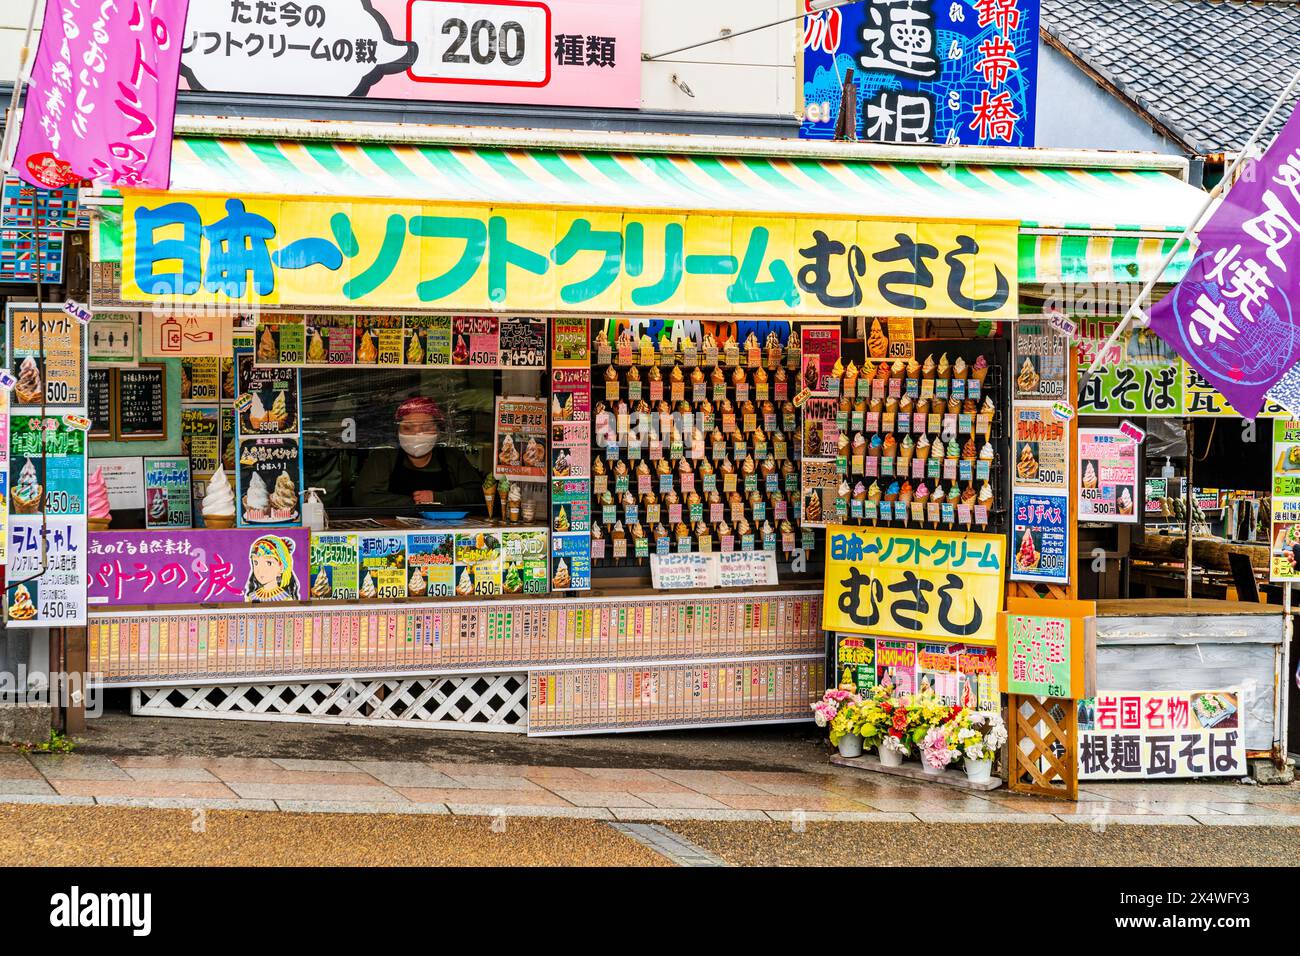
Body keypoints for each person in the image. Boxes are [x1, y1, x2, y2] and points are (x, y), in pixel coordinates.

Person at [354, 397, 482, 510]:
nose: (417, 434)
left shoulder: (452, 456)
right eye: (408, 428)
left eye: (425, 428)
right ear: (397, 431)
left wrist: (437, 497)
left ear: (438, 431)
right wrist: (417, 504)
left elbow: (478, 494)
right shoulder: (384, 456)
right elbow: (363, 497)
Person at [245, 535, 301, 603]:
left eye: (269, 563)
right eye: (256, 563)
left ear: (281, 568)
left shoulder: (286, 599)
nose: (260, 570)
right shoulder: (250, 598)